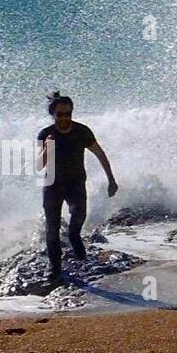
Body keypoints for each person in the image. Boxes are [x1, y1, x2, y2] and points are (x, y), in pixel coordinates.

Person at [36, 91, 117, 282]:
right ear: (53, 115)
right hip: (52, 186)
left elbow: (100, 154)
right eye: (60, 115)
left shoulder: (82, 131)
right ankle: (55, 269)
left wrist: (111, 179)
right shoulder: (46, 134)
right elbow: (39, 165)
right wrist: (47, 148)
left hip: (76, 184)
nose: (64, 118)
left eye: (68, 114)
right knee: (52, 229)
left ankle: (75, 237)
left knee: (78, 216)